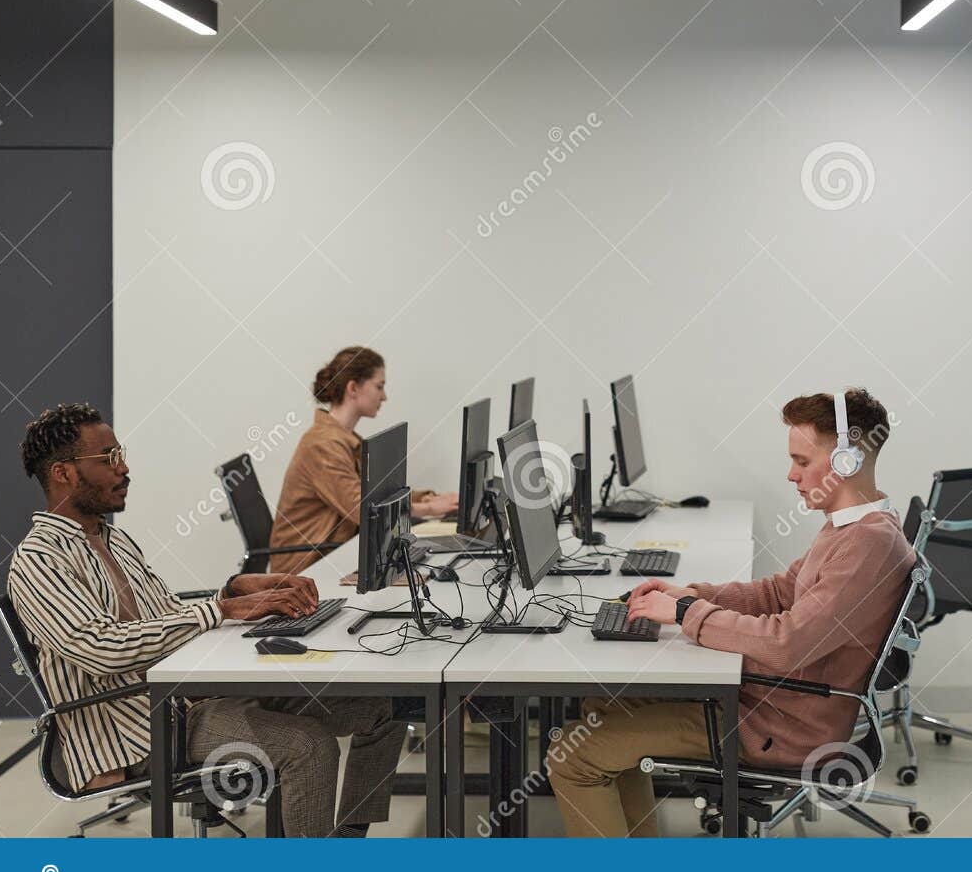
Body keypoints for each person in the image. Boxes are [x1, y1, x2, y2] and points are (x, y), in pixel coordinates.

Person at [6, 403, 407, 837]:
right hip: (141, 728)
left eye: (120, 455)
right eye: (108, 459)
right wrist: (219, 611)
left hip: (190, 697)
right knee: (308, 747)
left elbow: (165, 617)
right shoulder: (38, 560)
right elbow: (103, 649)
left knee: (378, 709)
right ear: (63, 473)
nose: (124, 469)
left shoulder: (113, 538)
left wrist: (231, 592)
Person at [546, 388, 915, 837]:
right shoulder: (853, 527)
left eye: (802, 461)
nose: (790, 474)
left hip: (779, 726)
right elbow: (781, 592)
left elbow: (788, 641)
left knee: (571, 757)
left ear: (846, 461)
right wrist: (692, 593)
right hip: (770, 702)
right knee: (605, 705)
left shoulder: (868, 543)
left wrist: (685, 612)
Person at [268, 346, 458, 575]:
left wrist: (430, 498)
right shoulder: (322, 445)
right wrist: (427, 508)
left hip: (334, 553)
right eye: (379, 386)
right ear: (353, 388)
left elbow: (376, 493)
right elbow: (363, 510)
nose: (384, 396)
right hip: (306, 567)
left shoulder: (343, 440)